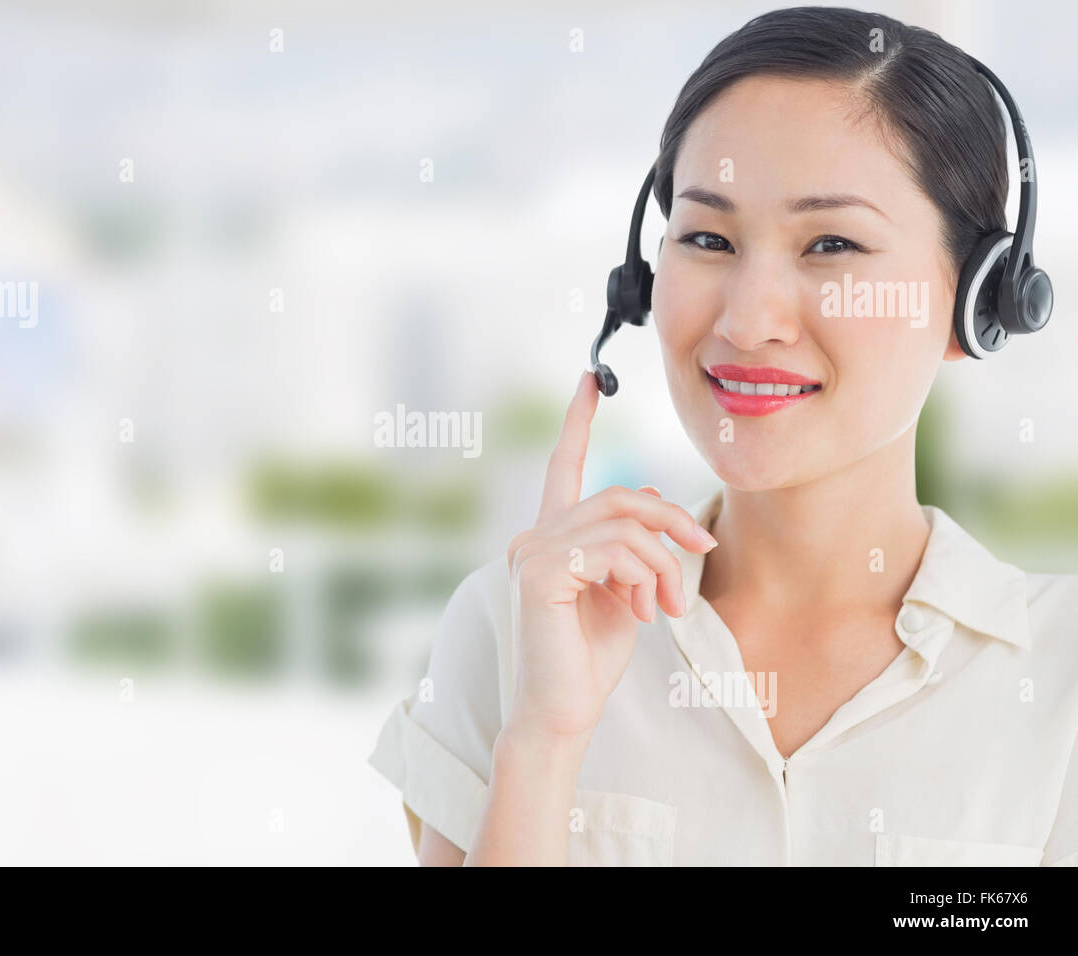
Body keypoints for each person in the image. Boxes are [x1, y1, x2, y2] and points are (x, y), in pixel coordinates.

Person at [368, 5, 1078, 866]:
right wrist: (545, 743)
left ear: (980, 302)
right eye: (709, 237)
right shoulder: (513, 626)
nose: (747, 321)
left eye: (831, 244)